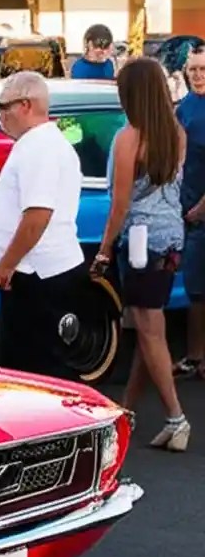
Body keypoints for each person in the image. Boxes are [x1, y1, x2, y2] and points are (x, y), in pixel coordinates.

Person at [94, 56, 189, 451]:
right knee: (148, 327)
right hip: (171, 238)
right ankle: (127, 411)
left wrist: (102, 251)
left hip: (138, 242)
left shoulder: (128, 138)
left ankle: (177, 418)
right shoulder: (176, 132)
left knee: (149, 330)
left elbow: (119, 204)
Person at [0, 72, 86, 376]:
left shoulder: (37, 147)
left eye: (4, 106)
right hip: (47, 270)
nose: (0, 115)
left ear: (25, 105)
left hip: (37, 274)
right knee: (46, 360)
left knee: (34, 368)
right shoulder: (47, 142)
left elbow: (38, 215)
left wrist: (6, 264)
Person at [175, 46, 205, 378]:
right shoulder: (185, 107)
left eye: (203, 70)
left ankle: (198, 358)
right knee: (195, 288)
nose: (198, 75)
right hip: (185, 209)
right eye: (193, 70)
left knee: (199, 291)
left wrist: (200, 209)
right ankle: (196, 356)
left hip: (200, 212)